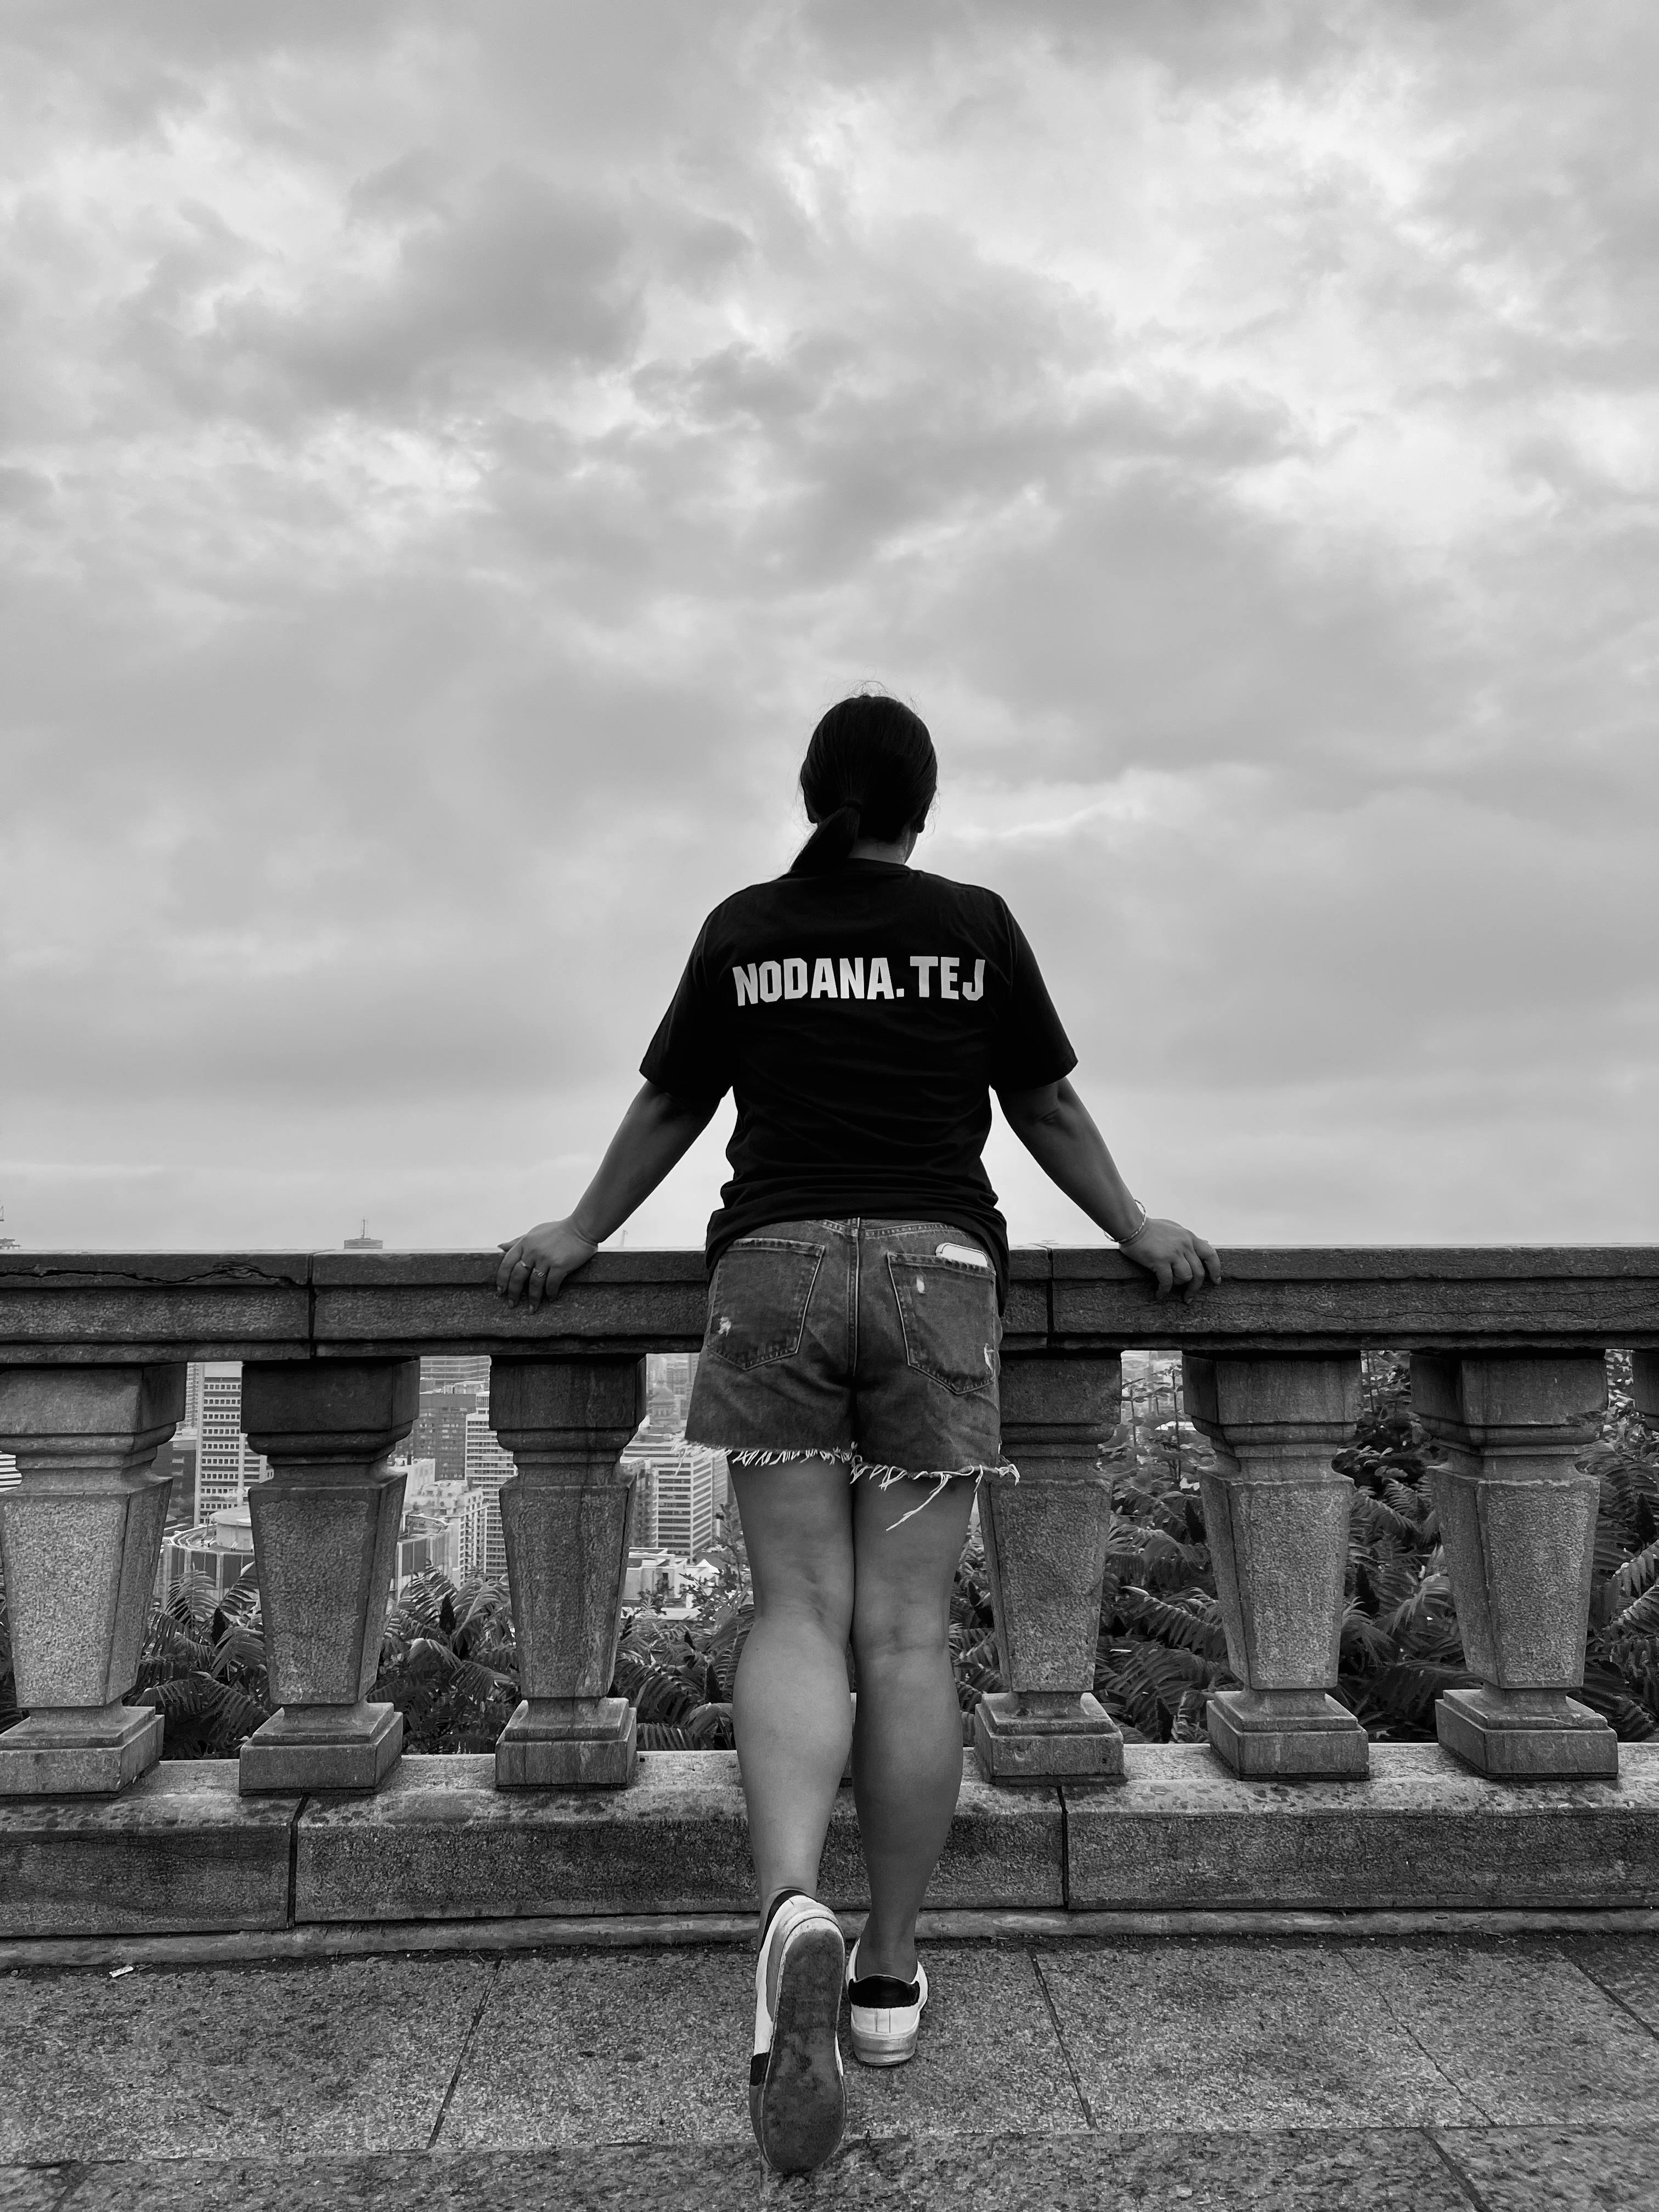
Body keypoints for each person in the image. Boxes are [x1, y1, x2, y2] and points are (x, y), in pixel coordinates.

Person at [496, 693, 1219, 2175]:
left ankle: (786, 1911)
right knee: (902, 1635)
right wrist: (1138, 1225)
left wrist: (577, 1230)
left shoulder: (746, 929)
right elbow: (1048, 1107)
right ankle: (885, 1975)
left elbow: (671, 1106)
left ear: (813, 790)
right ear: (923, 803)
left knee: (799, 1610)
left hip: (774, 1278)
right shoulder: (978, 927)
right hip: (938, 1285)